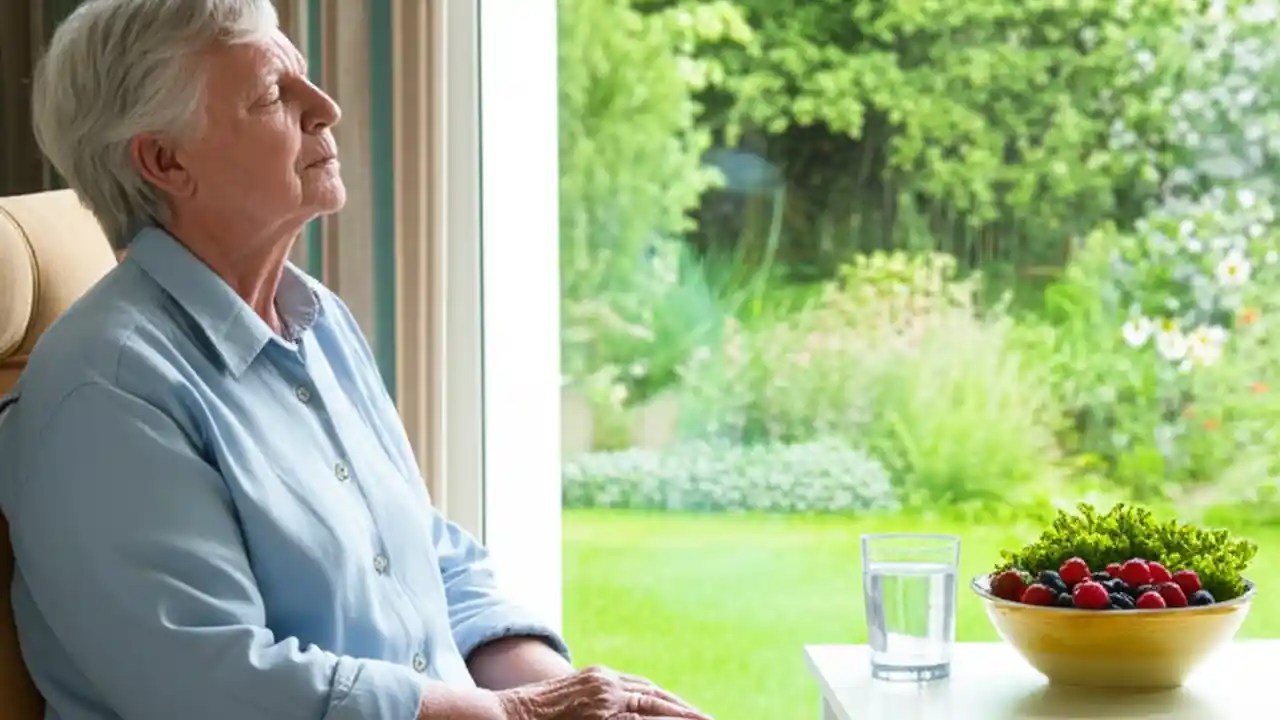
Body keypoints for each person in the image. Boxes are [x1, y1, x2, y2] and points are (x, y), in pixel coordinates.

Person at [0, 2, 709, 719]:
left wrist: (567, 695)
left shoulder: (317, 321)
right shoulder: (108, 393)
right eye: (275, 94)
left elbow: (424, 558)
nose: (327, 108)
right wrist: (514, 714)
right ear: (164, 160)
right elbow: (213, 684)